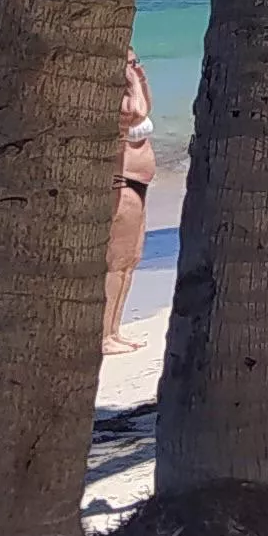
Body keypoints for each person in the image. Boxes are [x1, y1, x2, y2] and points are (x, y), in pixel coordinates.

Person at [104, 50, 159, 352]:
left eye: (137, 61)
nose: (136, 67)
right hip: (121, 183)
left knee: (130, 261)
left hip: (138, 182)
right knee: (116, 262)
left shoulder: (131, 88)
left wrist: (139, 76)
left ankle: (114, 329)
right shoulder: (115, 99)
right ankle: (103, 334)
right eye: (131, 62)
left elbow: (147, 106)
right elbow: (137, 111)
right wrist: (132, 80)